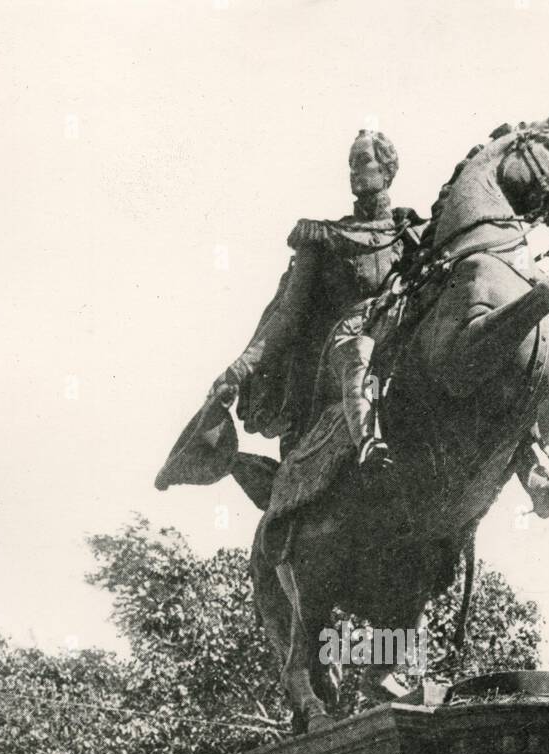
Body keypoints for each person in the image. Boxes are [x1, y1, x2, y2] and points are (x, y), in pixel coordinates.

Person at [159, 131, 423, 490]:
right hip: (337, 368)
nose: (353, 171)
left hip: (394, 356)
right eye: (350, 164)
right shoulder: (323, 238)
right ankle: (364, 444)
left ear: (388, 169)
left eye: (362, 161)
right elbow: (288, 316)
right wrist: (238, 371)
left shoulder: (413, 236)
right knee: (358, 353)